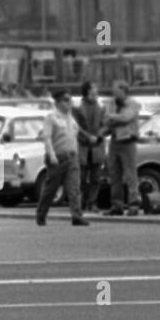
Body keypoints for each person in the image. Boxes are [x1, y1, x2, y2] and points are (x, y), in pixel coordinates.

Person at [36, 89, 89, 227]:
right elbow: (47, 138)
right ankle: (41, 214)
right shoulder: (52, 117)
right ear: (58, 102)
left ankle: (76, 216)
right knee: (51, 189)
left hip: (72, 157)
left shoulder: (71, 118)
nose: (69, 103)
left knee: (74, 188)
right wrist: (51, 155)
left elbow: (75, 135)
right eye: (65, 100)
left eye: (70, 100)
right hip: (58, 158)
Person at [104, 80, 142, 216]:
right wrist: (112, 118)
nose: (113, 93)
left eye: (116, 90)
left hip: (128, 142)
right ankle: (117, 205)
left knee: (130, 174)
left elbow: (126, 117)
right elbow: (106, 121)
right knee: (114, 175)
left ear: (123, 90)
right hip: (114, 141)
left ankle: (133, 205)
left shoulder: (133, 103)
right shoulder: (112, 103)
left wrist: (112, 117)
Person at [74, 81, 107, 212]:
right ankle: (82, 200)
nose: (96, 91)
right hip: (82, 146)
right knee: (81, 177)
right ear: (87, 91)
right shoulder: (77, 108)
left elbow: (105, 124)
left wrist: (99, 135)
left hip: (97, 146)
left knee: (96, 177)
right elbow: (76, 126)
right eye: (94, 88)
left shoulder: (101, 108)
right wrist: (88, 137)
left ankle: (92, 202)